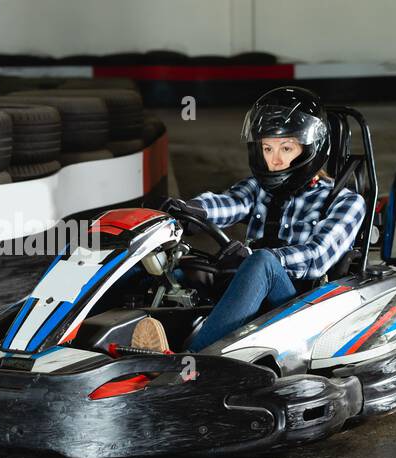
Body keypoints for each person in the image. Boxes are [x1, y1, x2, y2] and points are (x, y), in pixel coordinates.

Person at [130, 85, 366, 353]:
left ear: (310, 149)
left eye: (286, 148)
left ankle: (191, 359)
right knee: (163, 265)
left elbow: (316, 258)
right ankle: (94, 336)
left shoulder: (346, 202)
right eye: (267, 148)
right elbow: (227, 203)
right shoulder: (259, 188)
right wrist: (186, 208)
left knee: (262, 262)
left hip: (300, 303)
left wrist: (253, 257)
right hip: (252, 282)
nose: (274, 160)